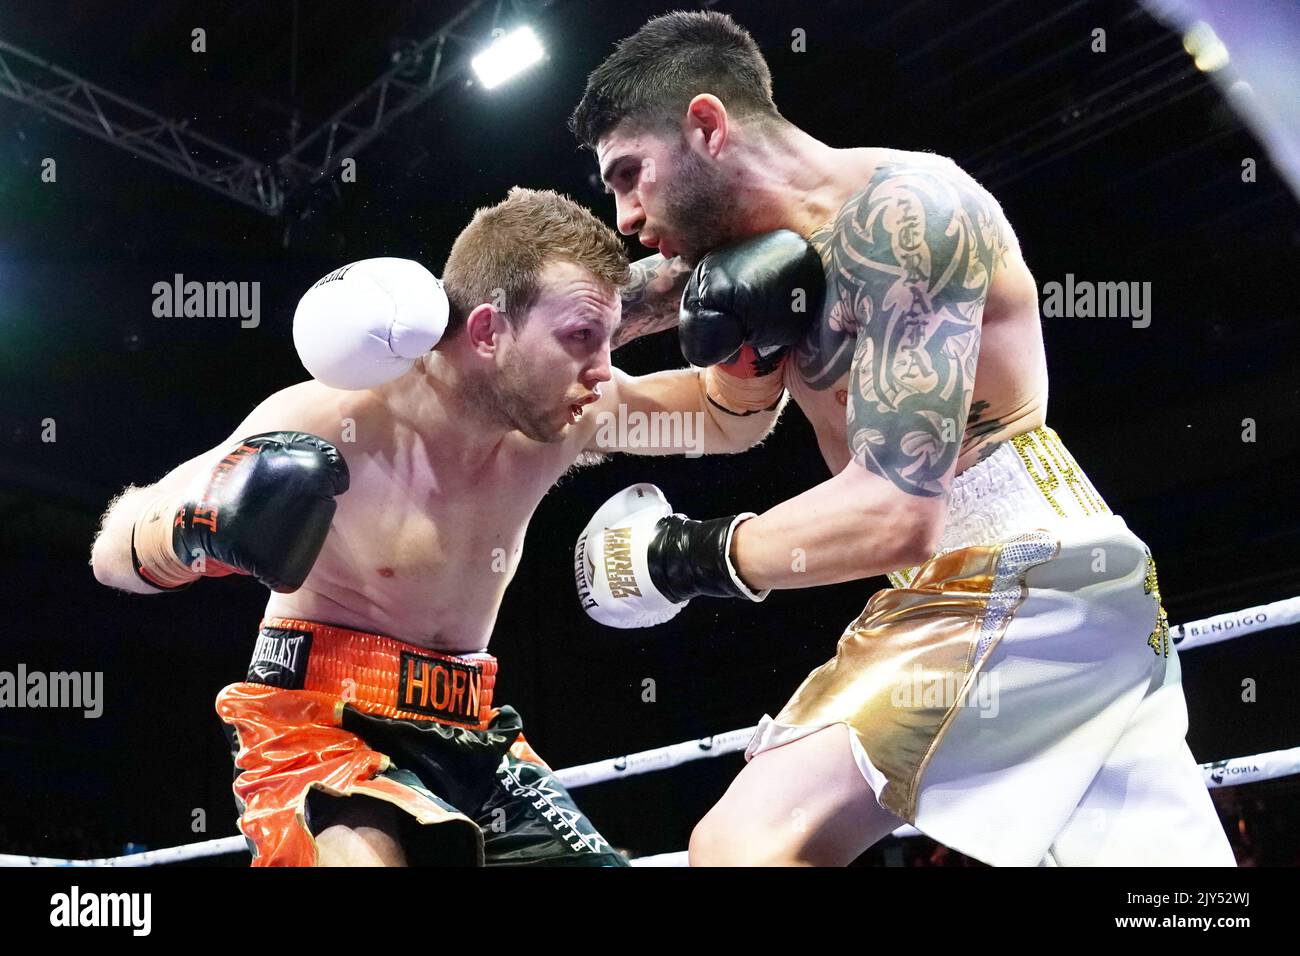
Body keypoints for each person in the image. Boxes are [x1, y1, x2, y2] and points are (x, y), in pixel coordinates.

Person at [569, 12, 1235, 866]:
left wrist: (682, 556)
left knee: (746, 845)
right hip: (1028, 589)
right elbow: (717, 409)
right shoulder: (760, 261)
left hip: (1023, 571)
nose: (625, 214)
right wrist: (538, 375)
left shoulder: (906, 218)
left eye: (630, 176)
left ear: (706, 126)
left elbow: (893, 513)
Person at [89, 186, 813, 866]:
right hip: (319, 720)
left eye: (608, 340)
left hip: (471, 724)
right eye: (581, 337)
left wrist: (754, 346)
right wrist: (189, 527)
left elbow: (723, 420)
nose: (603, 371)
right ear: (490, 330)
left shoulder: (570, 415)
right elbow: (111, 550)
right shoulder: (331, 418)